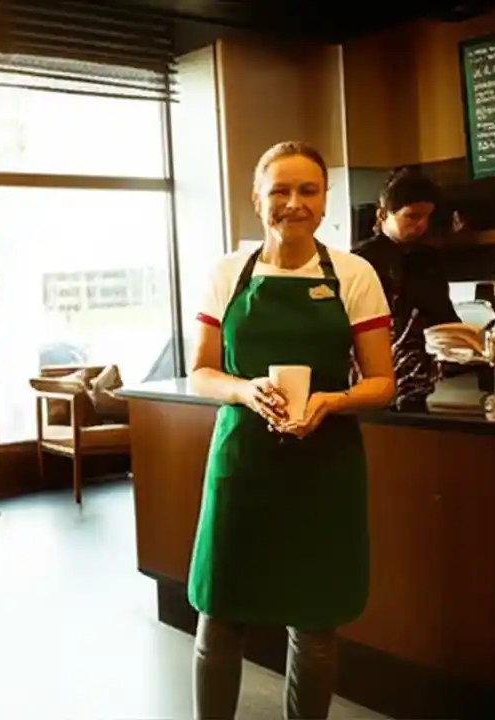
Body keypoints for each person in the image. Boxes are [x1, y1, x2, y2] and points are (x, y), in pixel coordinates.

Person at [187, 141, 396, 719]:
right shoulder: (228, 273)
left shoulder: (354, 274)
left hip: (323, 465)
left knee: (315, 619)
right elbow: (201, 371)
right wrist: (244, 390)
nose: (294, 203)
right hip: (242, 460)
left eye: (307, 190)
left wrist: (332, 400)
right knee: (221, 611)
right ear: (258, 198)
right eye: (280, 190)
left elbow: (382, 382)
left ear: (325, 199)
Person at [353, 168, 459, 410]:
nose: (421, 225)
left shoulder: (430, 259)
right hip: (376, 374)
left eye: (426, 216)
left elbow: (443, 313)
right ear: (382, 215)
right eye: (412, 216)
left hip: (426, 376)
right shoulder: (359, 261)